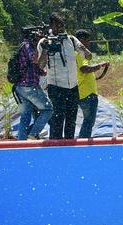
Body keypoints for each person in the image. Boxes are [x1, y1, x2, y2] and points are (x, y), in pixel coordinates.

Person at [36, 11, 87, 140]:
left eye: (62, 25)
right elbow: (41, 65)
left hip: (73, 87)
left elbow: (88, 55)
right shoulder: (44, 42)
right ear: (51, 26)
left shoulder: (71, 39)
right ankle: (56, 150)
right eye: (58, 26)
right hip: (56, 87)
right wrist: (46, 49)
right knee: (57, 121)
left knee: (71, 121)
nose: (61, 28)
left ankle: (69, 148)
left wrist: (83, 48)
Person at [12, 26, 51, 140]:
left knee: (25, 116)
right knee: (48, 109)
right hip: (29, 86)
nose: (40, 37)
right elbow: (35, 60)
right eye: (38, 35)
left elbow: (33, 66)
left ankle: (22, 142)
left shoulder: (23, 46)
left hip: (20, 87)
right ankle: (32, 134)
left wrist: (41, 72)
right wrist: (44, 49)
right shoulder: (28, 46)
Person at [73, 29, 109, 139]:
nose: (88, 43)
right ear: (80, 40)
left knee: (87, 121)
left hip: (81, 91)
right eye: (87, 40)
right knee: (89, 121)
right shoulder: (80, 54)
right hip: (87, 93)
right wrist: (100, 65)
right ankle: (83, 142)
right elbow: (84, 69)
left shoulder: (74, 54)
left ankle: (82, 140)